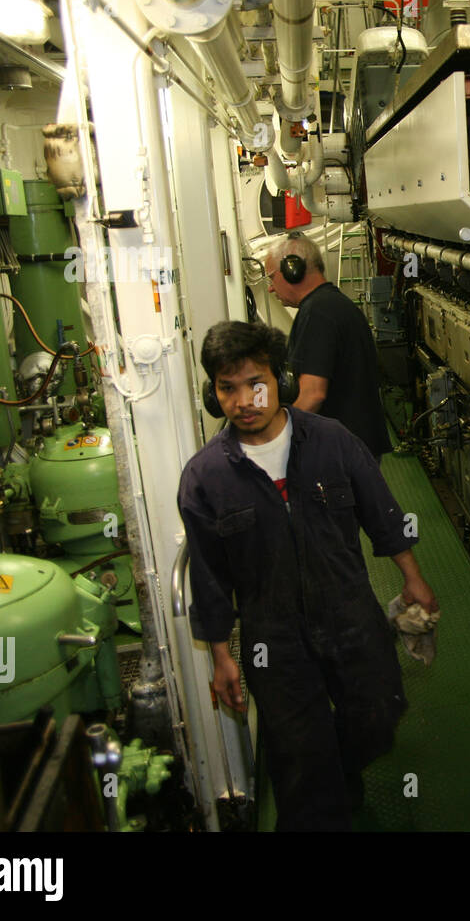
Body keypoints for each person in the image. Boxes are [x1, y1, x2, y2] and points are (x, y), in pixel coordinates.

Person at [177, 320, 438, 831]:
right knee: (301, 759)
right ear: (214, 394)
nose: (242, 400)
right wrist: (221, 657)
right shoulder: (205, 477)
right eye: (226, 388)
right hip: (273, 637)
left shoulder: (332, 440)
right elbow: (208, 577)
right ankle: (323, 797)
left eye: (255, 383)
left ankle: (341, 772)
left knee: (379, 716)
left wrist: (413, 577)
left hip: (349, 611)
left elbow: (381, 513)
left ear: (282, 382)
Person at [266, 233, 392, 459]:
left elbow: (313, 394)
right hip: (353, 446)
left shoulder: (319, 313)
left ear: (292, 270)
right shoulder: (329, 305)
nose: (270, 288)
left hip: (341, 451)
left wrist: (274, 439)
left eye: (271, 277)